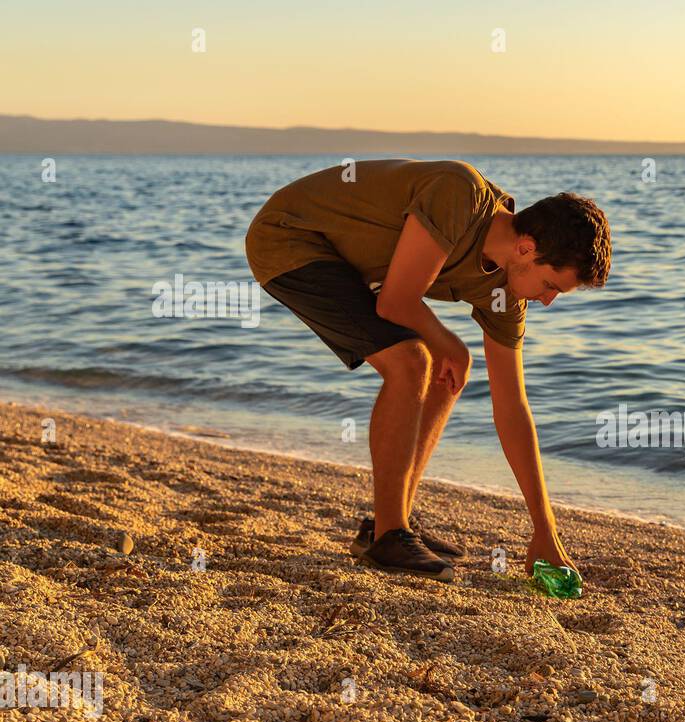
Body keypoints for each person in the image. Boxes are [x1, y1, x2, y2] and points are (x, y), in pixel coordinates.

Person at [245, 159, 610, 581]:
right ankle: (389, 536)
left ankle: (387, 523)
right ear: (526, 249)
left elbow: (512, 407)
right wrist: (451, 343)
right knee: (413, 360)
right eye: (551, 285)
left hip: (345, 264)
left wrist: (544, 530)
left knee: (445, 368)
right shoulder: (460, 192)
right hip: (289, 238)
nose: (548, 301)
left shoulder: (505, 294)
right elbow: (395, 301)